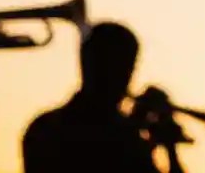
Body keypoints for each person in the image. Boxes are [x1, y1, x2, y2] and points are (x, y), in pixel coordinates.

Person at [22, 21, 187, 173]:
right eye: (119, 66)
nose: (125, 77)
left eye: (128, 67)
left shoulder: (43, 126)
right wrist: (163, 144)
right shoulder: (50, 130)